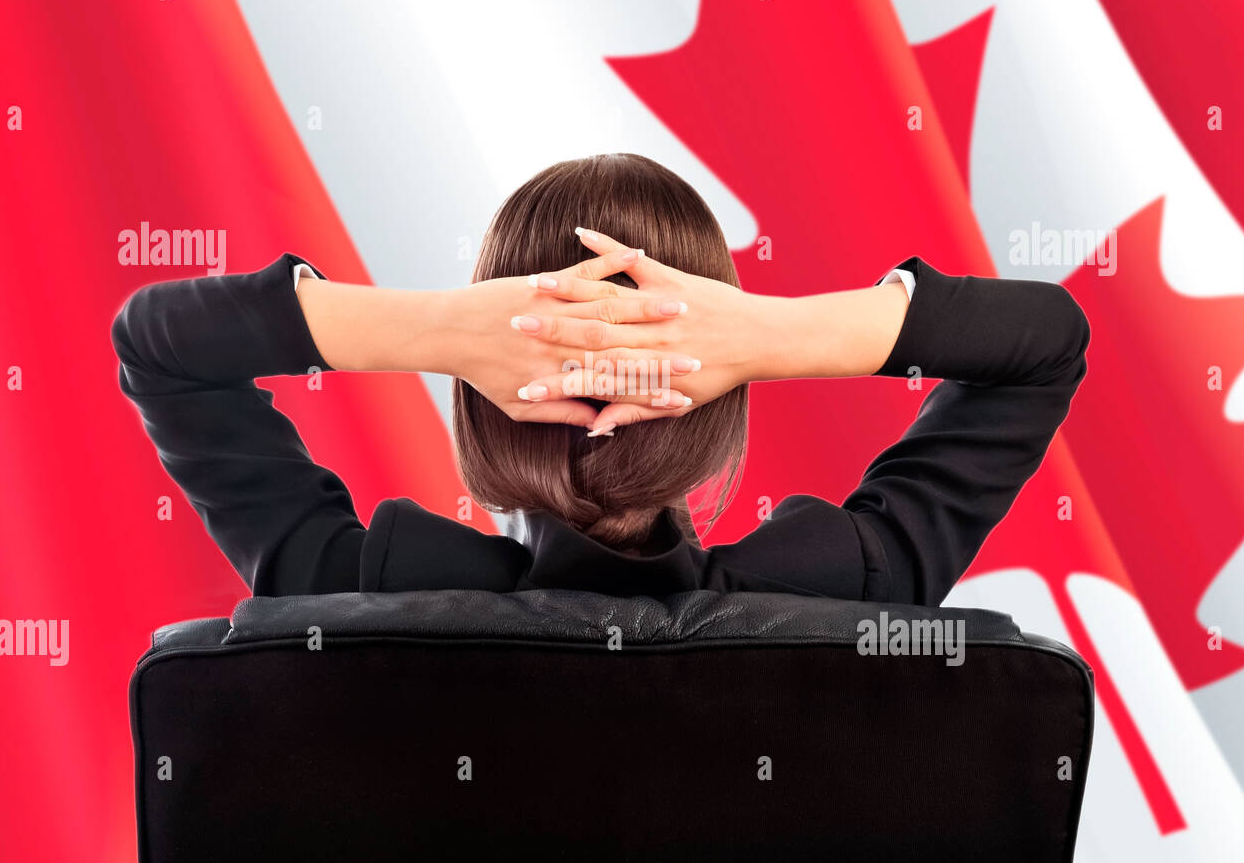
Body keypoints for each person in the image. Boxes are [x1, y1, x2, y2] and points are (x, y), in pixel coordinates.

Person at [112, 153, 1089, 605]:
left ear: (479, 398)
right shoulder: (859, 595)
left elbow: (161, 347)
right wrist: (773, 332)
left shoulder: (345, 595)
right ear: (721, 398)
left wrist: (439, 325)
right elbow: (1045, 344)